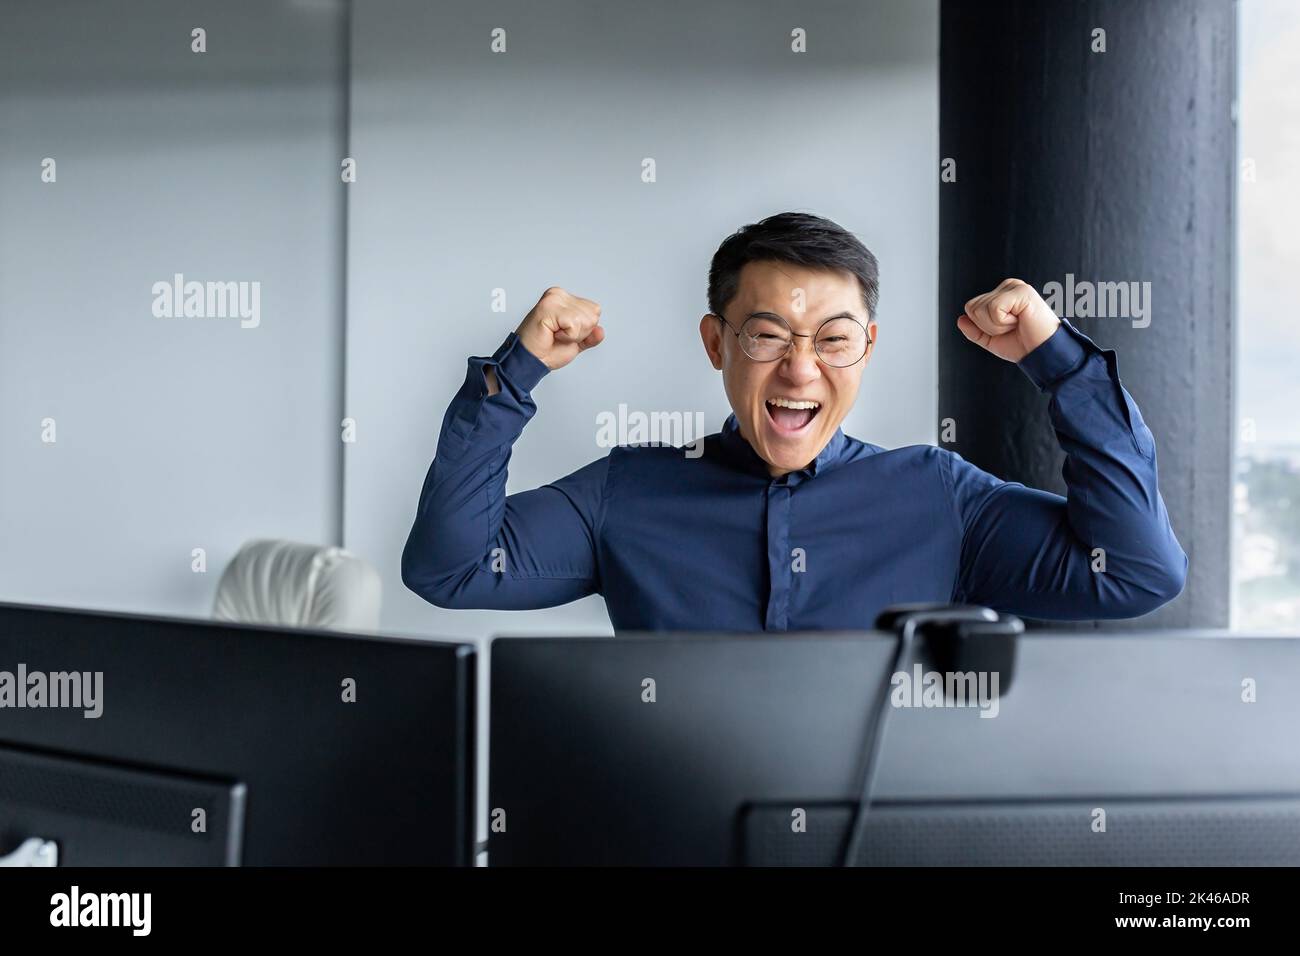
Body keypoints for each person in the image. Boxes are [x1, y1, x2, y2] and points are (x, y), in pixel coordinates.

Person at [402, 212, 1187, 630]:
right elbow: (451, 568)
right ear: (717, 344)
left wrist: (1060, 363)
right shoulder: (628, 491)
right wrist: (510, 380)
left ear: (866, 349)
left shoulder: (940, 498)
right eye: (769, 335)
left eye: (834, 340)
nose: (801, 369)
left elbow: (1136, 574)